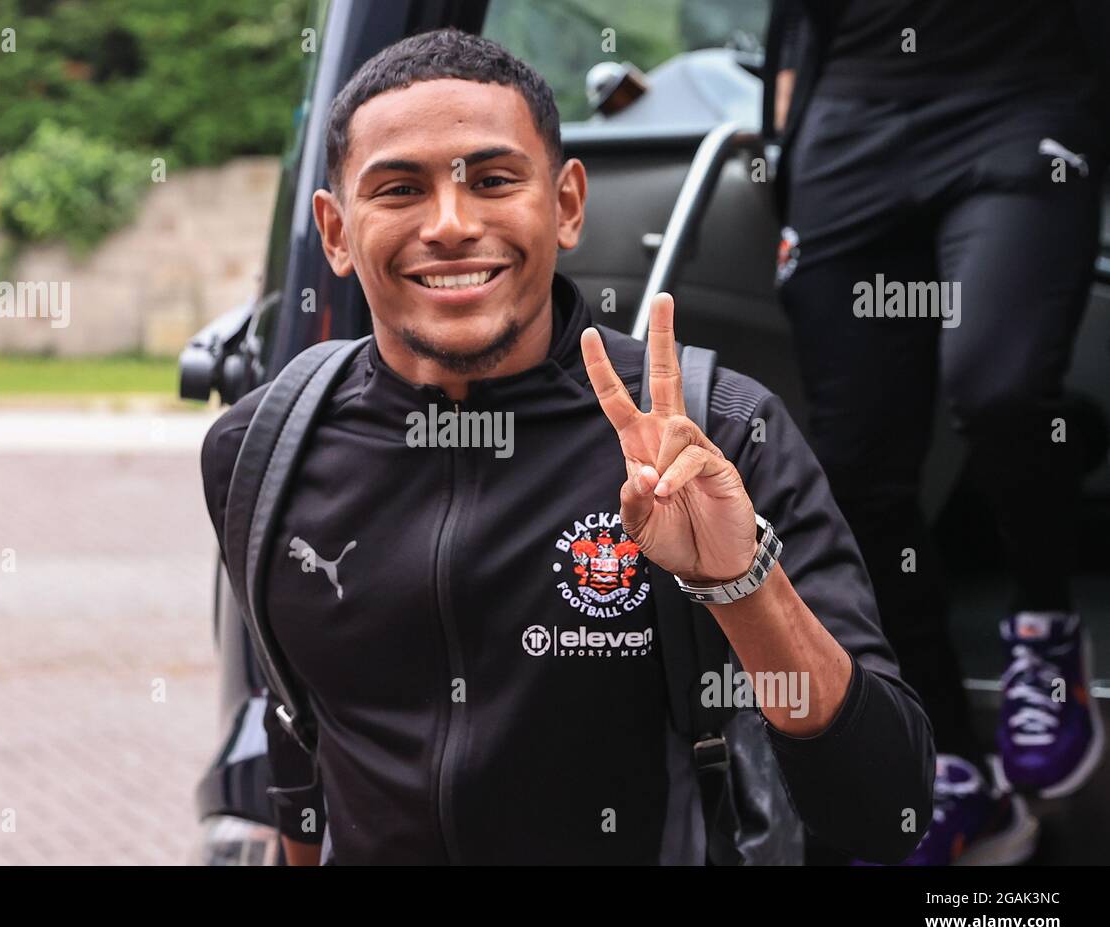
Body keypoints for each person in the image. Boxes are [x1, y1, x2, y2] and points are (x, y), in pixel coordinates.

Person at [201, 27, 933, 865]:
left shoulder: (721, 437)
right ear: (334, 231)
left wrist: (738, 583)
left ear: (568, 204)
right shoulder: (261, 451)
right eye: (399, 189)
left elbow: (889, 811)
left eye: (494, 180)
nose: (450, 225)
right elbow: (304, 754)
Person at [763, 0, 1108, 864]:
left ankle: (1043, 624)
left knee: (999, 385)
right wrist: (787, 143)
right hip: (850, 118)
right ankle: (952, 765)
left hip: (1023, 96)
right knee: (849, 470)